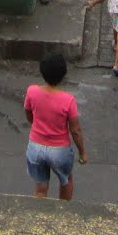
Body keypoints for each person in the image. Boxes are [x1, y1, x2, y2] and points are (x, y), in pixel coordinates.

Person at [23, 52, 87, 200]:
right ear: (63, 74)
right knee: (66, 181)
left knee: (40, 189)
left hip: (36, 147)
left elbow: (28, 114)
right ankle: (61, 213)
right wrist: (82, 152)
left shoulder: (32, 92)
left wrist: (37, 126)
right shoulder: (68, 100)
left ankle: (40, 217)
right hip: (60, 151)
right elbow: (75, 131)